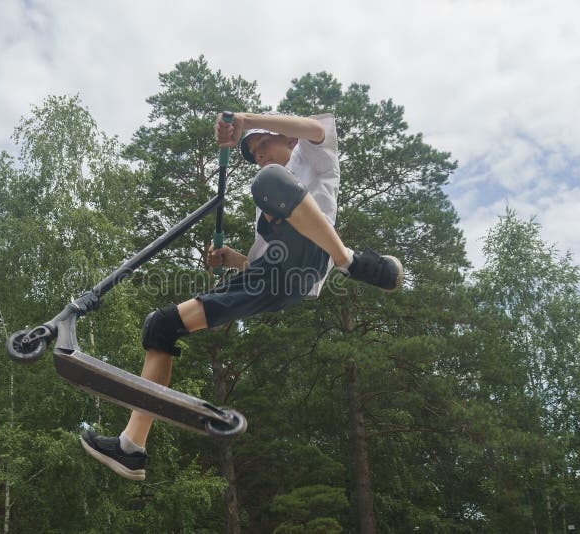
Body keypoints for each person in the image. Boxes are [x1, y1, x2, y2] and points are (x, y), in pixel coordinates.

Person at [80, 111, 403, 481]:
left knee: (270, 182)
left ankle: (350, 261)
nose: (259, 153)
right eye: (253, 150)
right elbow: (262, 267)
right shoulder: (269, 203)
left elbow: (312, 129)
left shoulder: (314, 157)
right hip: (273, 281)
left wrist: (246, 121)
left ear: (288, 140)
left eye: (264, 144)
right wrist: (234, 259)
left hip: (313, 257)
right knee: (161, 326)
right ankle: (131, 447)